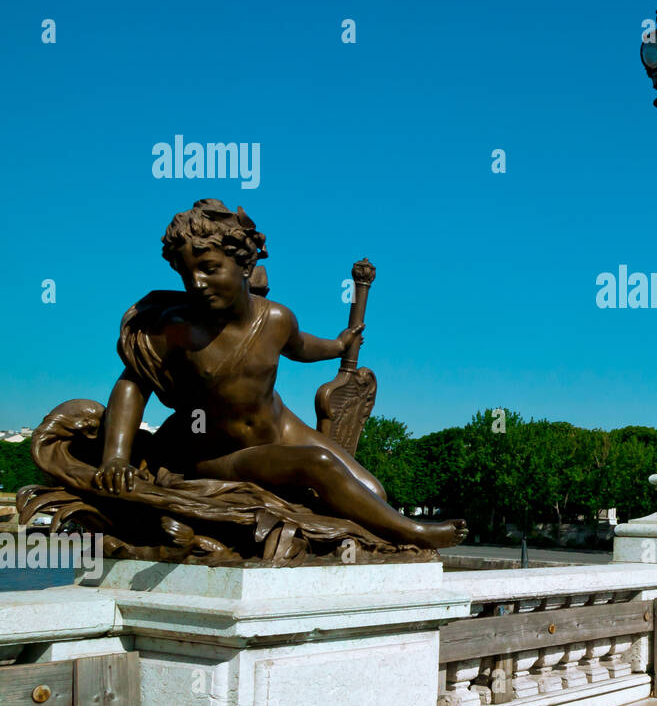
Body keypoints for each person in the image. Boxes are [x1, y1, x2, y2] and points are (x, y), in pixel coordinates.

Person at [91, 199, 465, 550]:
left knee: (372, 490)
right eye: (186, 273)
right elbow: (132, 385)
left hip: (282, 426)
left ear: (245, 267)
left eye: (209, 268)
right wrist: (116, 457)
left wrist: (339, 344)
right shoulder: (176, 327)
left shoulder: (276, 319)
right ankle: (415, 532)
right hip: (219, 452)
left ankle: (313, 514)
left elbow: (302, 347)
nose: (196, 284)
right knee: (318, 466)